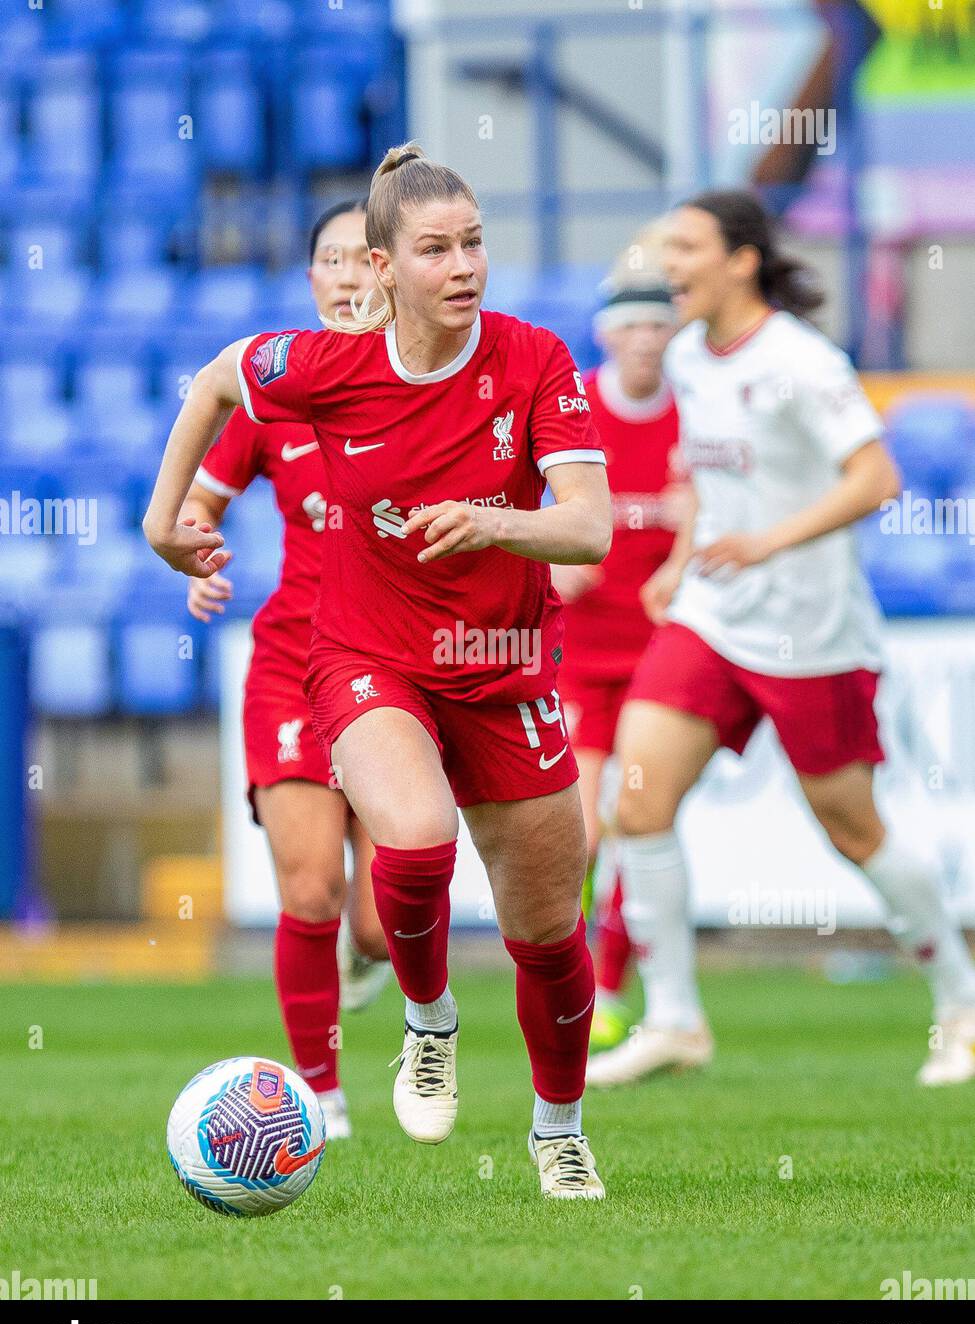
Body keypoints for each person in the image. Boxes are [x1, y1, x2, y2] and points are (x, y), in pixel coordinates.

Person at [144, 143, 614, 1198]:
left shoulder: (536, 361)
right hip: (366, 657)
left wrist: (494, 521)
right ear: (384, 265)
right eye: (437, 249)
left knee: (548, 935)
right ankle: (430, 1021)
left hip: (504, 664)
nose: (465, 267)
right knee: (412, 833)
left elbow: (589, 528)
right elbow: (220, 375)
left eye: (476, 243)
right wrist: (160, 522)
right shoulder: (329, 366)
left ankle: (558, 1128)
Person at [588, 189, 975, 1089]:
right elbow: (713, 486)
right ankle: (676, 1020)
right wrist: (681, 560)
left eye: (685, 248)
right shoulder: (686, 355)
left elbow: (875, 478)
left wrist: (766, 541)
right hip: (712, 619)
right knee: (635, 804)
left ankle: (958, 1002)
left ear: (741, 260)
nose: (668, 266)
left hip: (811, 635)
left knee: (853, 829)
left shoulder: (801, 362)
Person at [181, 201, 391, 1141]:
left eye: (362, 258)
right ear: (312, 279)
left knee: (386, 923)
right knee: (311, 890)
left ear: (392, 273)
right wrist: (194, 550)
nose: (347, 275)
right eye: (330, 259)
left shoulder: (431, 381)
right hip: (295, 664)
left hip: (401, 669)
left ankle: (369, 961)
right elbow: (200, 496)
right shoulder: (279, 390)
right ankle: (319, 1094)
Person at [550, 278, 683, 1051]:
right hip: (579, 653)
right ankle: (568, 980)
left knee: (636, 824)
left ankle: (608, 991)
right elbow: (519, 500)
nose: (644, 338)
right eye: (630, 324)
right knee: (580, 832)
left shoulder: (691, 416)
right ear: (606, 335)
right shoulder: (575, 409)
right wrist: (550, 563)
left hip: (661, 656)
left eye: (657, 325)